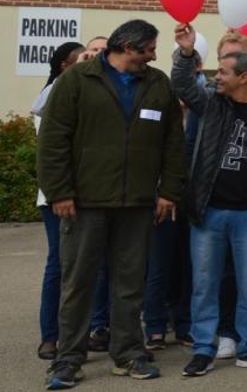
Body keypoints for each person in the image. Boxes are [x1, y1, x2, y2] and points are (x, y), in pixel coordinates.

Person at [39, 20, 186, 389]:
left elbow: (173, 142)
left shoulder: (157, 84)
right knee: (78, 282)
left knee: (129, 282)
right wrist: (59, 192)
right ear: (126, 47)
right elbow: (54, 141)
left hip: (137, 203)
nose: (153, 56)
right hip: (84, 202)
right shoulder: (77, 80)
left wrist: (168, 191)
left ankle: (128, 354)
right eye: (148, 49)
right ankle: (68, 359)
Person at [171, 24, 247, 377]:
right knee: (205, 284)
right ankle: (204, 348)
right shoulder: (210, 103)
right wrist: (185, 52)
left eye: (223, 72)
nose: (216, 77)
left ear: (243, 77)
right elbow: (180, 84)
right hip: (208, 213)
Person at [31, 41, 90, 362]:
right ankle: (50, 336)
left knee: (90, 265)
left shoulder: (91, 90)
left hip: (91, 195)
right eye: (82, 57)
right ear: (66, 66)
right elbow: (50, 143)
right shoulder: (52, 93)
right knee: (60, 263)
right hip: (57, 195)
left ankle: (90, 330)